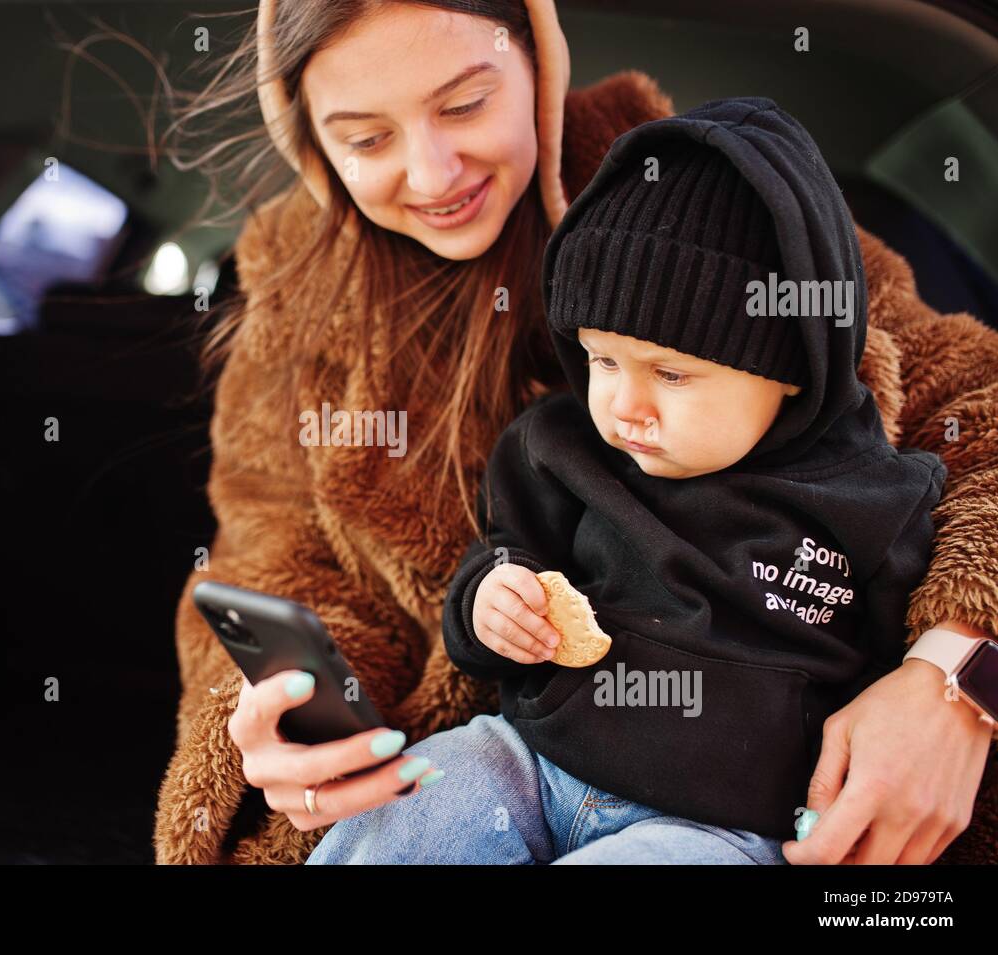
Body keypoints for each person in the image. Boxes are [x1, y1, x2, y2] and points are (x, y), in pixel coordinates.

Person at [153, 0, 998, 865]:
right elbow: (272, 562)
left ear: (539, 61)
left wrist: (957, 678)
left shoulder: (738, 211)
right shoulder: (299, 301)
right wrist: (276, 712)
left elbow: (986, 417)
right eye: (366, 139)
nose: (433, 169)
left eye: (463, 105)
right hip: (479, 768)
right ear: (313, 145)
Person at [306, 100, 954, 863]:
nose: (625, 404)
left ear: (792, 369)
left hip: (718, 827)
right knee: (413, 806)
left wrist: (945, 685)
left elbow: (909, 662)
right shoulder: (564, 448)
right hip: (528, 762)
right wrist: (489, 605)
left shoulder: (871, 502)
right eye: (602, 360)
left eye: (672, 373)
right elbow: (507, 551)